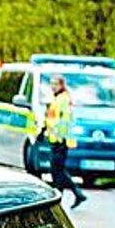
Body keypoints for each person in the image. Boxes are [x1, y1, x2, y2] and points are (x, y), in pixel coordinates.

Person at [42, 75, 86, 207]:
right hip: (55, 139)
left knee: (57, 170)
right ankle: (74, 194)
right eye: (51, 84)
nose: (53, 86)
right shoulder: (57, 99)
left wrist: (60, 138)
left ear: (61, 85)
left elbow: (65, 121)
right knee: (57, 170)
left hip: (61, 141)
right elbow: (52, 118)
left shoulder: (63, 99)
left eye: (55, 84)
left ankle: (60, 197)